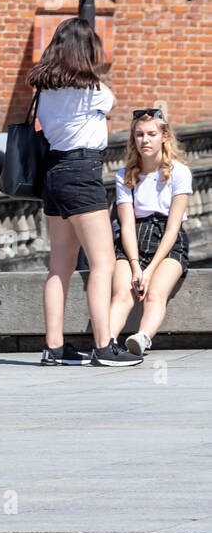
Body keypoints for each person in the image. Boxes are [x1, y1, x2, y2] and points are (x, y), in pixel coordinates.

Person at [29, 17, 141, 367]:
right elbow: (113, 101)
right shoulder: (92, 90)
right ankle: (104, 345)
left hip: (54, 175)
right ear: (84, 51)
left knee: (59, 266)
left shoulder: (44, 88)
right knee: (103, 263)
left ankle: (54, 346)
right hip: (82, 173)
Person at [107, 108, 193, 357]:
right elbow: (126, 224)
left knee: (155, 293)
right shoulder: (124, 176)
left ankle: (141, 338)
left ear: (164, 136)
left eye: (151, 134)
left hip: (168, 241)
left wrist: (150, 270)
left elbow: (174, 226)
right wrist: (135, 266)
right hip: (134, 239)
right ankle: (107, 342)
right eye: (139, 135)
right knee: (122, 293)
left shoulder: (180, 173)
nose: (145, 140)